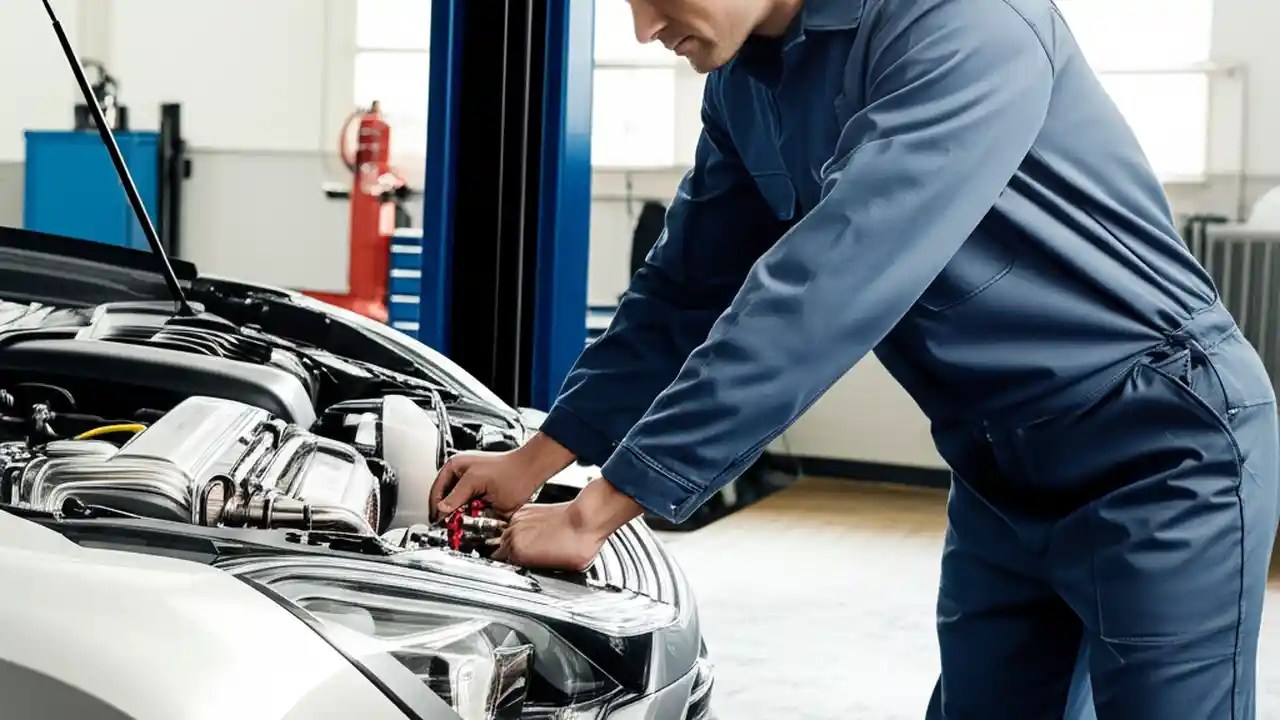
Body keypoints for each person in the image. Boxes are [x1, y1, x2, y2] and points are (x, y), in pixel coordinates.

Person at [429, 0, 1280, 717]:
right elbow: (683, 291)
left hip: (1160, 449)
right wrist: (535, 462)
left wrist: (595, 513)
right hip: (998, 465)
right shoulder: (744, 87)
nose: (645, 27)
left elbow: (829, 282)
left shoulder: (961, 22)